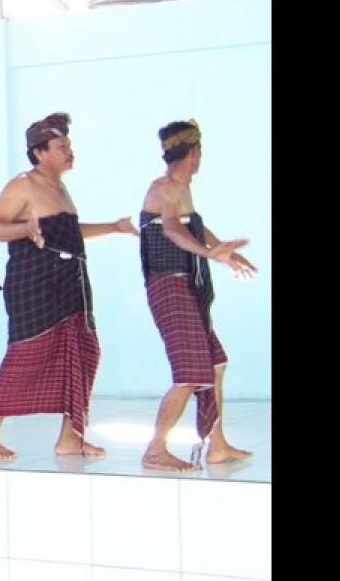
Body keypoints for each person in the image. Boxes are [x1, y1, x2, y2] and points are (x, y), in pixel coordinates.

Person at [0, 112, 138, 460]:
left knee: (84, 352)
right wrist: (24, 231)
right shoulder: (24, 184)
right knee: (26, 354)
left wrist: (114, 227)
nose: (69, 151)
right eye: (61, 146)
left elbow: (68, 234)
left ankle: (71, 436)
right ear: (39, 153)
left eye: (68, 145)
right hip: (34, 282)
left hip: (71, 282)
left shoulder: (60, 188)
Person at [139, 119, 256, 471]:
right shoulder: (163, 189)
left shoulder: (181, 190)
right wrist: (209, 253)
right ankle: (155, 449)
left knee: (215, 363)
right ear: (193, 153)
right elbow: (173, 229)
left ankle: (216, 445)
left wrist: (225, 253)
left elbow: (195, 227)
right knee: (190, 372)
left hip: (187, 287)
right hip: (168, 286)